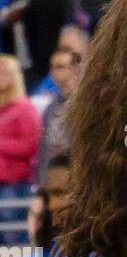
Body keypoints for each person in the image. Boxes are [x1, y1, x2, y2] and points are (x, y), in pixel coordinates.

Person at [0, 55, 41, 239]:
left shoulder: (24, 108)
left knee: (13, 239)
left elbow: (31, 145)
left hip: (14, 186)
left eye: (3, 73)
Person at [36, 45, 79, 179]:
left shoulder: (87, 105)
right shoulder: (50, 108)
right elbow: (45, 150)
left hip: (78, 176)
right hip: (54, 177)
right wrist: (42, 183)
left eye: (59, 66)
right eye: (52, 66)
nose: (53, 71)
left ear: (74, 69)